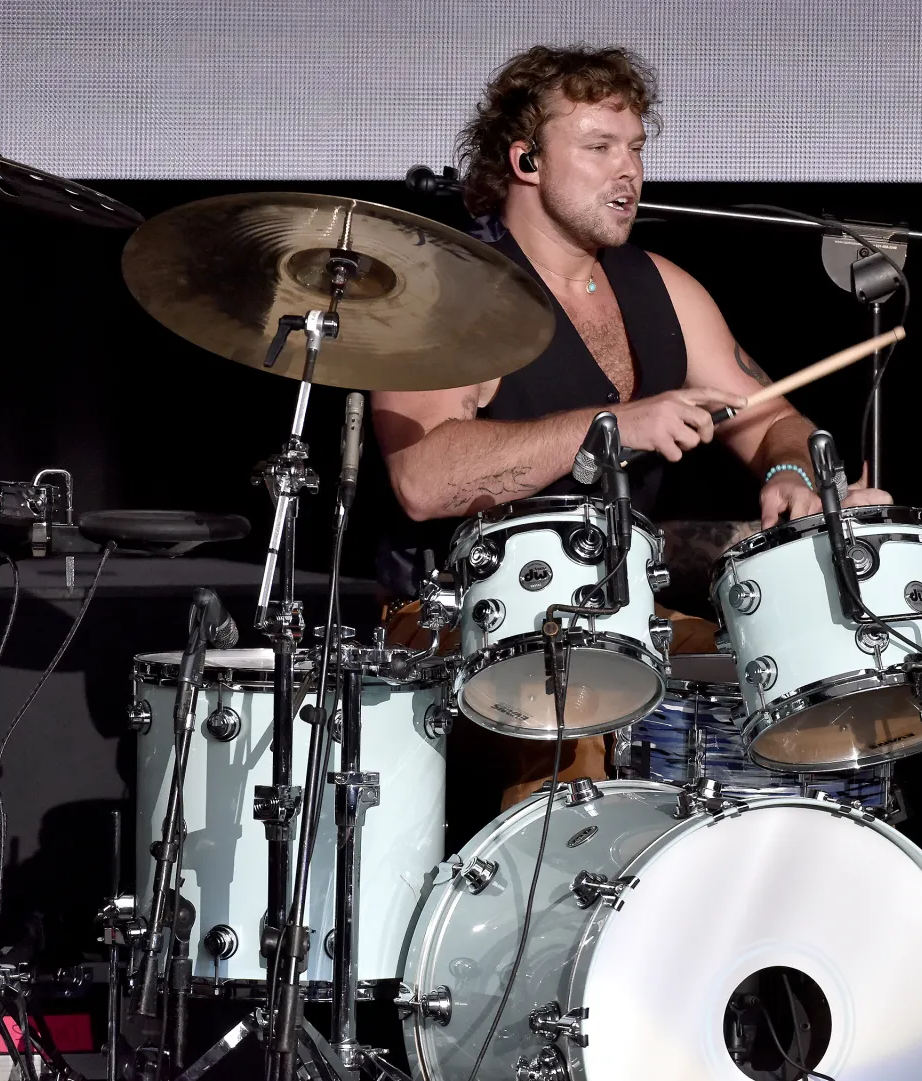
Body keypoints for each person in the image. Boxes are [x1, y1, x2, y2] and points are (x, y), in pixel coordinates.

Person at [373, 44, 889, 808]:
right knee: (571, 705)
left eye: (636, 148)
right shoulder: (454, 291)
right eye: (600, 148)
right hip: (457, 620)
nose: (630, 172)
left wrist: (789, 472)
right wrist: (613, 423)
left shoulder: (661, 287)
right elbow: (423, 479)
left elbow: (775, 417)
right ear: (525, 160)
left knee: (783, 681)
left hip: (625, 619)